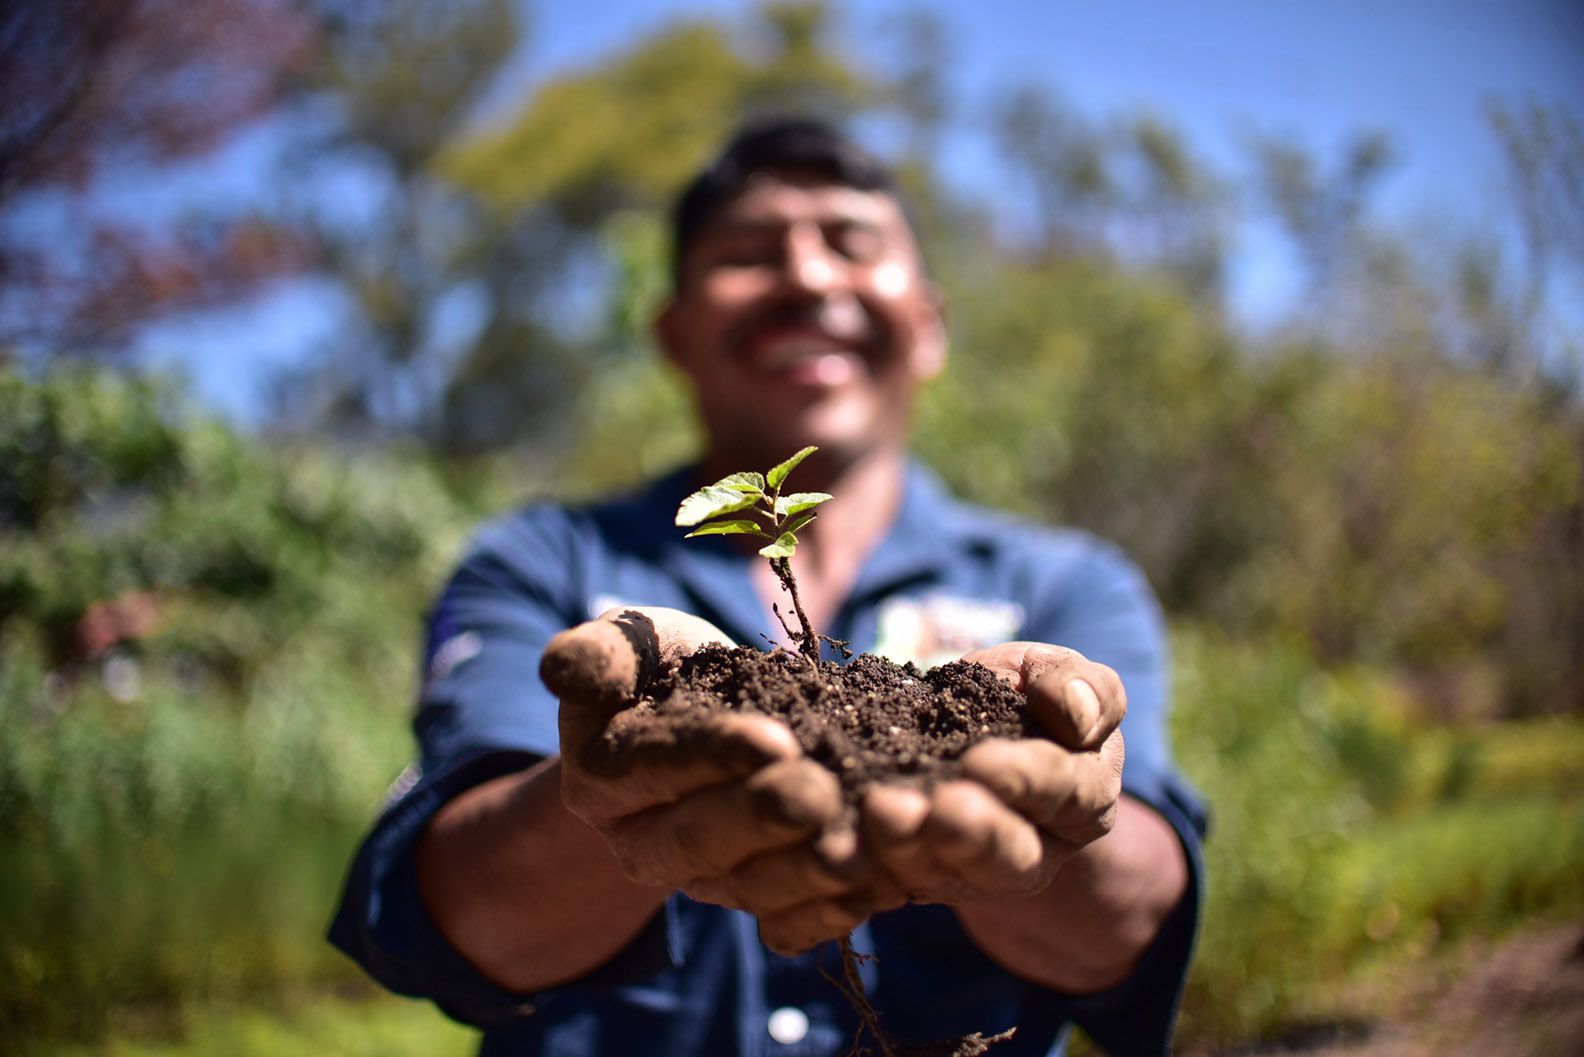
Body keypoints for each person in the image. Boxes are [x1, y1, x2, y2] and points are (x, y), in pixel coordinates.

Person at [330, 117, 1207, 1057]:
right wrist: (610, 791)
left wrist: (1054, 817)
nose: (809, 277)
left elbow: (1137, 909)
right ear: (674, 334)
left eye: (851, 243)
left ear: (929, 324)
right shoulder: (544, 562)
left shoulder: (1064, 585)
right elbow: (454, 909)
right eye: (748, 254)